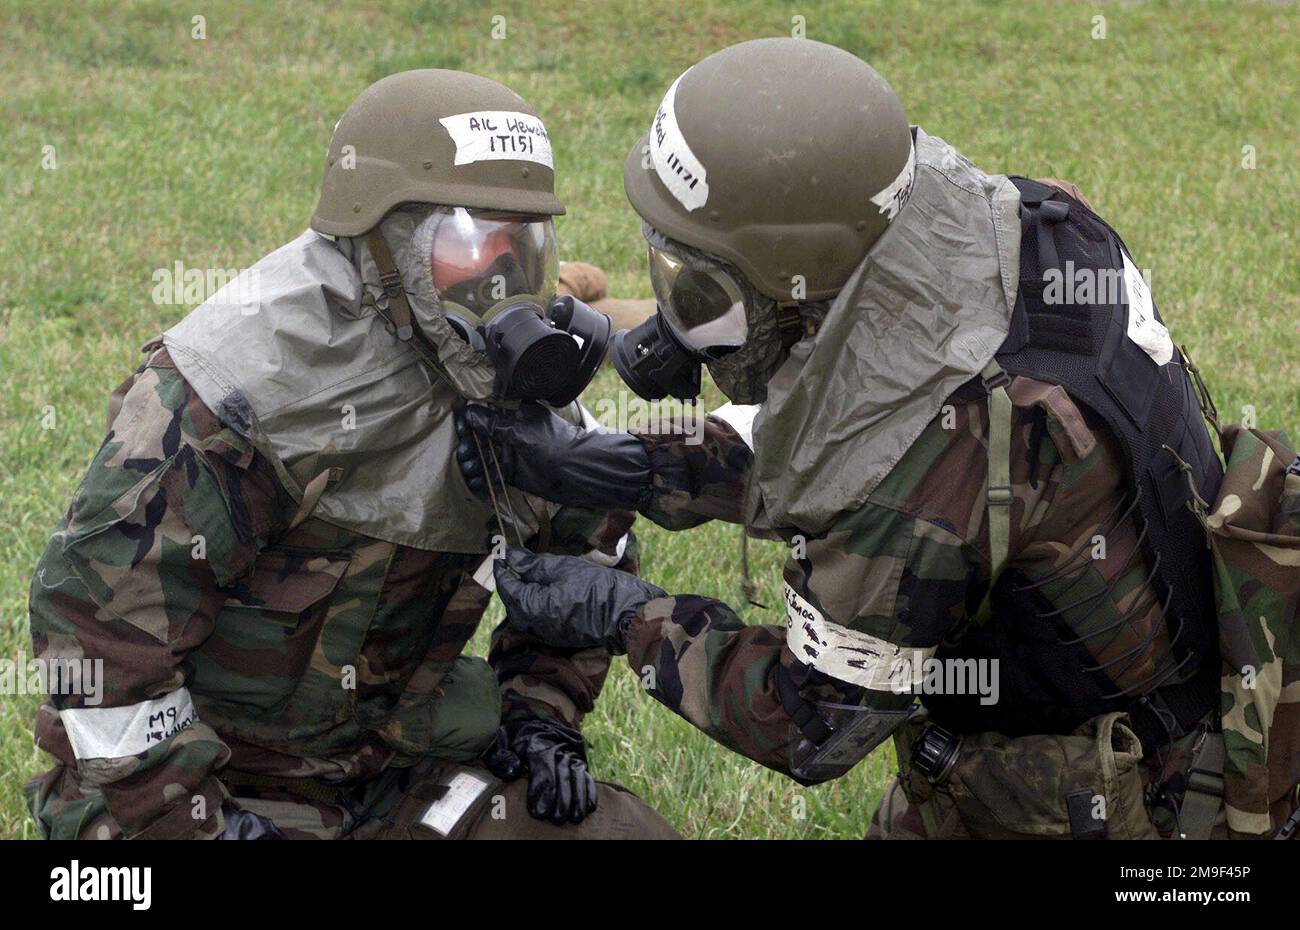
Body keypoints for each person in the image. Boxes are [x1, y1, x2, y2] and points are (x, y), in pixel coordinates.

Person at [460, 38, 1234, 839]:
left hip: (1106, 792)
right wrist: (623, 467)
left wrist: (626, 613)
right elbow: (845, 426)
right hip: (1127, 691)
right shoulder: (963, 227)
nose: (679, 318)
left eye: (707, 290)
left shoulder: (935, 449)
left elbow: (809, 719)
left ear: (794, 283)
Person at [24, 68, 677, 840]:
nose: (501, 277)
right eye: (469, 244)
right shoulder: (236, 386)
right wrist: (196, 821)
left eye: (522, 244)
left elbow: (588, 558)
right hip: (181, 790)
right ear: (383, 241)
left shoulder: (505, 378)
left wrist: (542, 718)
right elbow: (93, 635)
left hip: (390, 768)